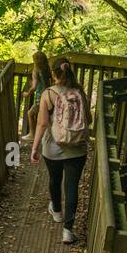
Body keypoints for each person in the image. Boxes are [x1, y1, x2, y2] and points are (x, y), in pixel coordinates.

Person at [30, 56, 91, 243]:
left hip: (52, 147)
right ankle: (67, 230)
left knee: (55, 179)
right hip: (77, 148)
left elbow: (41, 124)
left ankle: (56, 211)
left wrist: (34, 148)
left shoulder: (48, 94)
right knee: (72, 187)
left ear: (54, 73)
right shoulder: (79, 92)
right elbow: (89, 119)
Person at [20, 50, 50, 138]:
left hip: (40, 97)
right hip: (49, 95)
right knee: (46, 115)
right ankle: (45, 135)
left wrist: (27, 94)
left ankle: (32, 134)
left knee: (30, 113)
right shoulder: (47, 69)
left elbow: (34, 86)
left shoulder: (36, 71)